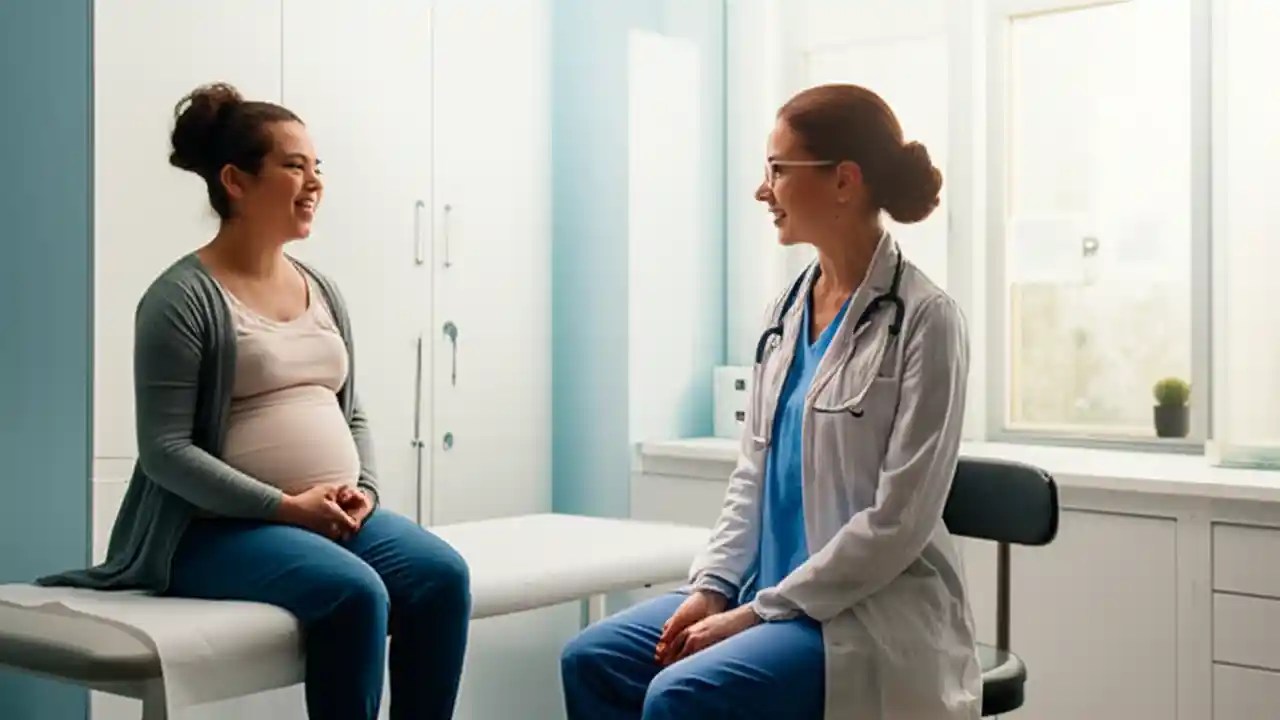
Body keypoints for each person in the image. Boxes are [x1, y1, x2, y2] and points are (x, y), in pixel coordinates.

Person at [38, 82, 471, 720]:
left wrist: (366, 493)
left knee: (442, 577)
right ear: (236, 182)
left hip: (327, 516)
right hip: (211, 531)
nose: (314, 182)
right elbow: (165, 452)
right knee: (355, 594)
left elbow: (351, 412)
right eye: (294, 166)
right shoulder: (181, 298)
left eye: (317, 167)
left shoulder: (320, 288)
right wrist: (286, 507)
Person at [559, 83, 981, 720]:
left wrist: (752, 615)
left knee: (680, 695)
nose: (764, 190)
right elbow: (750, 475)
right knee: (594, 660)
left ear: (844, 181)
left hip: (856, 614)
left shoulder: (926, 320)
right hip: (766, 594)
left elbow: (897, 524)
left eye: (779, 171)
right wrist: (711, 589)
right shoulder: (784, 315)